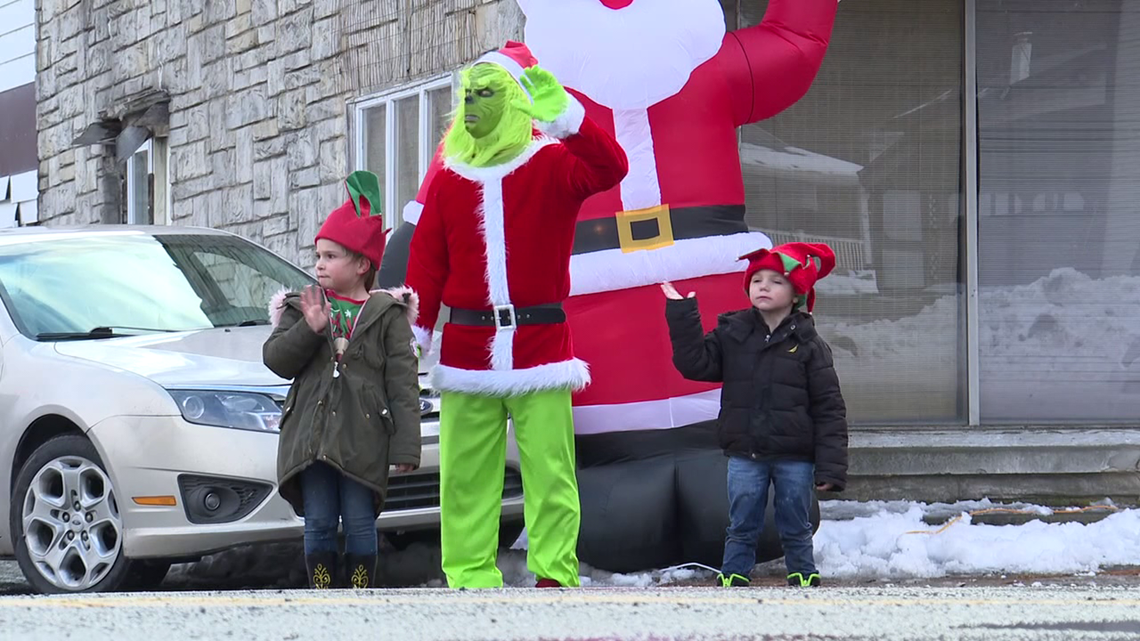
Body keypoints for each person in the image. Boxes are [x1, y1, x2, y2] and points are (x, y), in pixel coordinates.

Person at [404, 41, 628, 589]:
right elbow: (427, 265)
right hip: (467, 352)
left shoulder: (552, 163)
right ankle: (469, 578)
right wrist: (412, 337)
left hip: (540, 347)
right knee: (464, 479)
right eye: (467, 95)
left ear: (512, 99)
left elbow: (610, 167)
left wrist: (567, 118)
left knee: (551, 476)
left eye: (487, 93)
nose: (472, 104)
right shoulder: (449, 178)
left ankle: (554, 576)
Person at [263, 170, 422, 589]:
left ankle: (357, 593)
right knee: (317, 521)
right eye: (318, 255)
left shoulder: (387, 315)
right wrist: (308, 329)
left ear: (362, 263)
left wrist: (406, 444)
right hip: (310, 440)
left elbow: (403, 383)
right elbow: (276, 360)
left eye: (331, 256)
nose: (319, 264)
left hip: (364, 441)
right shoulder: (304, 306)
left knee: (359, 521)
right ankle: (322, 592)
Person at [662, 242, 848, 587]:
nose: (763, 286)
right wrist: (682, 314)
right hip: (745, 450)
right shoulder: (733, 333)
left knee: (795, 516)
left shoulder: (809, 345)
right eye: (757, 279)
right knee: (743, 516)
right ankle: (734, 570)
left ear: (796, 294)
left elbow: (829, 408)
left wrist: (831, 466)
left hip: (795, 454)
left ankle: (802, 571)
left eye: (776, 281)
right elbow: (695, 363)